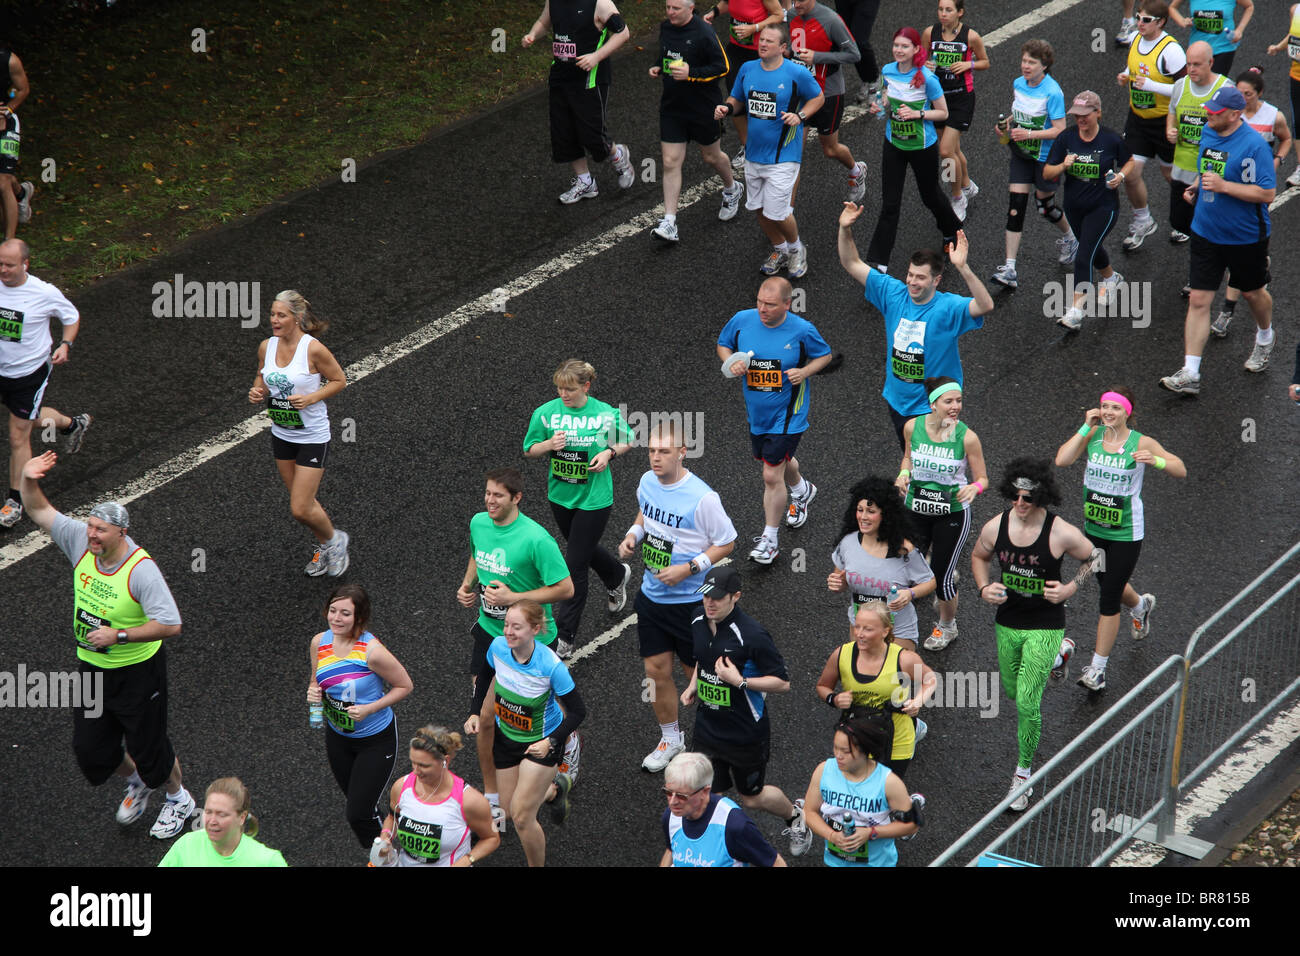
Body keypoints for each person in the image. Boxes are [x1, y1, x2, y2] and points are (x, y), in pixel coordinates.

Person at [20, 450, 194, 839]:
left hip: (137, 672)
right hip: (94, 667)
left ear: (122, 533)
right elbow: (38, 511)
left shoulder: (141, 571)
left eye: (100, 529)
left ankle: (179, 798)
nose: (92, 534)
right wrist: (29, 480)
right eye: (90, 526)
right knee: (91, 750)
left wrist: (118, 635)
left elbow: (170, 623)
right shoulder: (82, 543)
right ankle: (137, 783)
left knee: (150, 748)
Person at [971, 458, 1096, 810]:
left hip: (1046, 622)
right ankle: (1062, 655)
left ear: (1041, 498)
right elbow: (979, 556)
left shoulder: (1061, 532)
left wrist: (1071, 588)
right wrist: (983, 588)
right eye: (1015, 496)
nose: (1019, 503)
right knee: (1011, 690)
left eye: (1027, 498)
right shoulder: (996, 526)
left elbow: (1096, 558)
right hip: (1008, 620)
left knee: (1028, 702)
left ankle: (1023, 775)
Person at [618, 421, 737, 772]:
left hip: (691, 602)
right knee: (656, 671)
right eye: (652, 451)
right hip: (652, 596)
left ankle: (718, 738)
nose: (655, 458)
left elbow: (727, 541)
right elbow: (646, 514)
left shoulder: (703, 498)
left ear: (682, 452)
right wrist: (633, 535)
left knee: (698, 675)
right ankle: (671, 737)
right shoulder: (646, 482)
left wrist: (689, 568)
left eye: (664, 452)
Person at [456, 467, 573, 822]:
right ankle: (493, 796)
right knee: (487, 717)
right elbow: (479, 553)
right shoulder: (479, 522)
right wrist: (467, 584)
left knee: (530, 713)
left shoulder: (536, 540)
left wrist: (514, 597)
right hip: (491, 634)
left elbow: (565, 588)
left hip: (533, 638)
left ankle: (564, 747)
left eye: (498, 496)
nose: (490, 501)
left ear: (517, 498)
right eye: (487, 493)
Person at [1056, 389, 1186, 691]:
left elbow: (1180, 468)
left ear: (1128, 412)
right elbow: (1063, 460)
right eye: (1104, 406)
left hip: (1126, 532)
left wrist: (1155, 461)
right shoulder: (1094, 435)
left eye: (1115, 407)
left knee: (1108, 597)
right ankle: (1140, 606)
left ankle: (1097, 670)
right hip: (1095, 528)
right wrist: (1085, 426)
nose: (1109, 412)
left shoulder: (1141, 442)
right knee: (1108, 582)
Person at [681, 566, 811, 856]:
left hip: (744, 733)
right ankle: (709, 851)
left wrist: (740, 682)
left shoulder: (752, 635)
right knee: (706, 793)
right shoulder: (698, 619)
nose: (709, 603)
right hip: (707, 729)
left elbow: (782, 683)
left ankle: (796, 816)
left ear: (736, 596)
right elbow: (703, 658)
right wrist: (694, 685)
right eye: (706, 596)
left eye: (717, 598)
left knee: (751, 798)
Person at [838, 208, 993, 450]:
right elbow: (851, 262)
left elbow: (985, 305)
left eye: (920, 277)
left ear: (936, 281)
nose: (912, 281)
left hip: (935, 406)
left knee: (938, 468)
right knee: (910, 462)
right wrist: (845, 228)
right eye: (910, 275)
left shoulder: (948, 307)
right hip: (898, 403)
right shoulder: (893, 293)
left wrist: (963, 268)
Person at [1159, 84, 1276, 394]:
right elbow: (1208, 168)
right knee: (1199, 300)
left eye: (1216, 112)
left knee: (1252, 294)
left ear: (1236, 114)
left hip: (1244, 237)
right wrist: (1198, 186)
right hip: (1206, 231)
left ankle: (1265, 336)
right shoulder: (1210, 132)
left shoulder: (1254, 146)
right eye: (1209, 110)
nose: (1208, 114)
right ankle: (1191, 373)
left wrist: (1224, 187)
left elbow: (1267, 193)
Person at [717, 276, 833, 565]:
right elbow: (723, 345)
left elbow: (825, 355)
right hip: (757, 414)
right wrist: (733, 362)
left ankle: (770, 540)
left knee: (771, 474)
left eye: (769, 304)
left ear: (786, 304)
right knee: (778, 461)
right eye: (759, 302)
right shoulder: (742, 320)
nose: (762, 309)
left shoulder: (802, 330)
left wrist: (805, 373)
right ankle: (802, 491)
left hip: (788, 414)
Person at [523, 359, 634, 657]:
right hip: (560, 496)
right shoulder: (545, 413)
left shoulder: (604, 414)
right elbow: (529, 448)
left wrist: (608, 454)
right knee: (579, 547)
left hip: (594, 500)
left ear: (586, 386)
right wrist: (548, 446)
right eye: (560, 388)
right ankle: (615, 575)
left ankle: (565, 637)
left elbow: (628, 439)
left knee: (574, 566)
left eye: (570, 389)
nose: (564, 394)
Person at [466, 600, 586, 867]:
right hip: (506, 738)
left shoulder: (550, 666)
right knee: (506, 811)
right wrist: (475, 712)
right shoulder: (498, 647)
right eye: (507, 624)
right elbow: (485, 676)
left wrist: (551, 741)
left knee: (521, 817)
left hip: (540, 744)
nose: (508, 631)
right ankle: (555, 790)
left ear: (535, 628)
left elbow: (579, 712)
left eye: (516, 627)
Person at [247, 290, 350, 576]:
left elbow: (339, 379)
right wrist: (258, 390)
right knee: (303, 504)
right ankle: (327, 545)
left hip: (312, 437)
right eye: (272, 314)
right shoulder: (266, 347)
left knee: (300, 508)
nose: (274, 320)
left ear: (297, 318)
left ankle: (334, 541)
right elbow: (262, 375)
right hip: (282, 434)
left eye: (281, 315)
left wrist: (312, 397)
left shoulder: (313, 349)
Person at [713, 23, 824, 278]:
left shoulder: (796, 73)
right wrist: (727, 109)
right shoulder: (747, 69)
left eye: (769, 41)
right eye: (761, 39)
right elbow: (737, 98)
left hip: (784, 154)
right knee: (759, 209)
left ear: (783, 48)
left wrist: (801, 115)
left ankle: (797, 249)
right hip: (754, 154)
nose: (762, 44)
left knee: (777, 209)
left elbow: (817, 97)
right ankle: (780, 249)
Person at [307, 584, 412, 847]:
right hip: (338, 738)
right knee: (359, 805)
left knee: (357, 813)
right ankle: (385, 840)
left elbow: (405, 686)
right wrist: (313, 697)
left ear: (359, 618)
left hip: (375, 740)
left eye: (345, 613)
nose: (336, 618)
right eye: (332, 611)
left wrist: (370, 708)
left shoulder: (371, 652)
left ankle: (386, 856)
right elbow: (316, 681)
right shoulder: (319, 642)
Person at [0, 239, 91, 529]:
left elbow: (71, 317)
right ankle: (70, 424)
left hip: (28, 374)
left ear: (25, 264)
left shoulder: (43, 292)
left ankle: (15, 501)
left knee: (18, 435)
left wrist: (65, 344)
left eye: (9, 265)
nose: (2, 269)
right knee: (31, 419)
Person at [896, 377, 987, 649]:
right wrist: (902, 474)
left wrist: (974, 488)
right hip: (916, 508)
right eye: (949, 401)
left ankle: (947, 626)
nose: (955, 406)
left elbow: (983, 478)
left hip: (952, 513)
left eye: (958, 400)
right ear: (933, 403)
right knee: (905, 563)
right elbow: (908, 458)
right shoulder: (913, 427)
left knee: (942, 577)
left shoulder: (967, 438)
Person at [862, 27, 964, 272]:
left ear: (916, 49)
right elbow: (888, 95)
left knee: (930, 196)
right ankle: (879, 262)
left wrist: (917, 113)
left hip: (922, 146)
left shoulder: (927, 78)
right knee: (890, 203)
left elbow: (943, 112)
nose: (899, 50)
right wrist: (879, 105)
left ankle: (953, 231)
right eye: (896, 45)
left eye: (904, 46)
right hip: (894, 144)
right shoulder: (888, 70)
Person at [649, 0, 745, 242]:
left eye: (675, 8)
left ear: (690, 8)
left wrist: (691, 74)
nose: (670, 12)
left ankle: (732, 188)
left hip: (703, 108)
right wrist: (659, 67)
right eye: (668, 7)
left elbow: (722, 67)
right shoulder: (666, 27)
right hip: (672, 107)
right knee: (670, 161)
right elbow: (667, 55)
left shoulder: (704, 32)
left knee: (711, 156)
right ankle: (670, 222)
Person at [1043, 91, 1140, 330]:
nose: (1081, 119)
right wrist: (1062, 166)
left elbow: (1129, 160)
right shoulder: (1066, 138)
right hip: (1074, 205)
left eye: (1086, 115)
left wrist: (1120, 176)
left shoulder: (1110, 139)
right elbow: (1047, 173)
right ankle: (1111, 277)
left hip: (1103, 207)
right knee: (1091, 246)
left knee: (1083, 253)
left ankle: (1076, 311)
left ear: (1098, 112)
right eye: (1077, 115)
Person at [522, 0, 636, 203]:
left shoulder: (600, 4)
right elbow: (543, 22)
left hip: (589, 79)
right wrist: (532, 34)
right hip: (560, 76)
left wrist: (596, 57)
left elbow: (623, 33)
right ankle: (585, 182)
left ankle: (617, 154)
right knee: (563, 132)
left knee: (591, 134)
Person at [814, 601, 938, 779]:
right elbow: (823, 686)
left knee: (884, 795)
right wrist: (833, 699)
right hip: (857, 737)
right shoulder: (841, 654)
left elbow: (930, 678)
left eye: (868, 629)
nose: (860, 634)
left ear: (885, 631)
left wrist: (918, 700)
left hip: (896, 740)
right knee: (856, 790)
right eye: (857, 627)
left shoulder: (904, 659)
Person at [990, 40, 1077, 290]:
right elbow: (1018, 112)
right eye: (1024, 60)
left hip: (1046, 157)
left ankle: (1071, 237)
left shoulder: (1053, 92)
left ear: (1045, 65)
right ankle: (1010, 268)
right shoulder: (1019, 84)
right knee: (1015, 207)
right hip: (1021, 154)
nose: (1025, 66)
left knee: (1045, 207)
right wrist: (1006, 124)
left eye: (1032, 62)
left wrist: (1029, 135)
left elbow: (1060, 130)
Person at [1211, 67, 1292, 337]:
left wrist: (1277, 160)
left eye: (1248, 94)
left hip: (1255, 193)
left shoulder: (1272, 116)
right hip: (1226, 192)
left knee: (1240, 252)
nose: (1243, 98)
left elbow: (1286, 138)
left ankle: (1227, 310)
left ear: (1259, 94)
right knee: (1232, 253)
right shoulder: (1227, 117)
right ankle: (1256, 269)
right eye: (1239, 93)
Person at [829, 476, 937, 653]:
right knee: (864, 676)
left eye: (871, 511)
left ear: (885, 514)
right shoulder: (848, 543)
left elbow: (930, 582)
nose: (863, 517)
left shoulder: (903, 549)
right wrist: (838, 585)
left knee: (895, 678)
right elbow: (840, 580)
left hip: (897, 629)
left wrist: (910, 594)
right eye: (860, 510)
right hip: (861, 626)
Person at [801, 714, 920, 866]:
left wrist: (871, 833)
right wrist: (831, 836)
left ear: (865, 750)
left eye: (846, 751)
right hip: (834, 863)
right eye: (835, 748)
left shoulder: (889, 783)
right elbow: (809, 811)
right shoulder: (824, 770)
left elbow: (911, 825)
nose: (838, 755)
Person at [374, 724, 500, 867]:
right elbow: (392, 818)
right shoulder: (401, 787)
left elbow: (491, 838)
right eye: (413, 763)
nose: (416, 771)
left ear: (445, 760)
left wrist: (467, 860)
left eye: (424, 765)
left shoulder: (470, 800)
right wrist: (385, 835)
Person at [1115, 1, 1187, 252]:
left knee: (1172, 176)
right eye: (1138, 17)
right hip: (1137, 119)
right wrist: (1126, 74)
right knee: (1130, 173)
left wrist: (1152, 86)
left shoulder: (1172, 51)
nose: (1139, 23)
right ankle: (1143, 220)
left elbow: (1184, 88)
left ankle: (1185, 220)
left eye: (1146, 20)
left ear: (1161, 22)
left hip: (1164, 121)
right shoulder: (1135, 37)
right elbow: (1134, 66)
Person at [788, 0, 868, 204]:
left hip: (828, 93)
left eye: (801, 0)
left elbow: (854, 54)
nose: (796, 4)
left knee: (830, 149)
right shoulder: (791, 16)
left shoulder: (831, 20)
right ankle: (786, 213)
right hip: (801, 93)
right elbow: (795, 47)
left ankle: (856, 171)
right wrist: (787, 53)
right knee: (793, 155)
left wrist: (818, 57)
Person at [922, 0, 990, 220]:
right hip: (938, 98)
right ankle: (968, 184)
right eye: (941, 9)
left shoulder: (971, 37)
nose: (943, 13)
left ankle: (958, 196)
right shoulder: (929, 33)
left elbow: (984, 62)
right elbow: (920, 59)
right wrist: (924, 65)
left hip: (961, 98)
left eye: (948, 10)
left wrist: (968, 64)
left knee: (944, 151)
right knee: (953, 150)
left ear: (960, 13)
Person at [659, 751, 785, 866]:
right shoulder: (671, 817)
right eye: (668, 792)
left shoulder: (735, 826)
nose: (672, 802)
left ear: (704, 792)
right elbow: (671, 850)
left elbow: (775, 863)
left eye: (681, 796)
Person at [703, 0, 787, 167]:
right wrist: (714, 12)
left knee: (763, 101)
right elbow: (727, 3)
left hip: (760, 53)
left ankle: (774, 144)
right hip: (736, 50)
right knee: (736, 98)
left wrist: (754, 28)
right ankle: (748, 147)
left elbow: (778, 15)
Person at [1163, 42, 1227, 253]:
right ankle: (1213, 252)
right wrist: (1170, 129)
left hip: (1210, 171)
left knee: (1204, 225)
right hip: (1182, 167)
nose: (1191, 69)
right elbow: (1172, 110)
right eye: (1189, 64)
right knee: (1178, 220)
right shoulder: (1181, 85)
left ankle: (1204, 270)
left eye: (1197, 65)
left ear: (1211, 63)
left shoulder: (1225, 89)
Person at [158, 778, 288, 867]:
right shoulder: (186, 846)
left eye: (222, 814)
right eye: (209, 812)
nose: (212, 821)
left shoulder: (267, 861)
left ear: (242, 818)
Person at [1264, 2, 1300, 188]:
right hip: (1296, 76)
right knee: (1298, 122)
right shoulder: (1295, 11)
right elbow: (1293, 36)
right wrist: (1278, 47)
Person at [0, 43, 33, 237]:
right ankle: (21, 193)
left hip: (7, 123)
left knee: (2, 181)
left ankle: (9, 242)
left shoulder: (9, 60)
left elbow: (23, 89)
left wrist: (8, 111)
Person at [1169, 0, 1253, 75]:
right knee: (1196, 83)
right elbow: (1172, 8)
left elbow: (1249, 6)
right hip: (1198, 49)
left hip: (1223, 48)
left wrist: (1239, 30)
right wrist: (1182, 21)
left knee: (1215, 86)